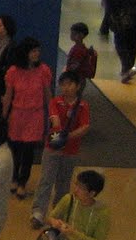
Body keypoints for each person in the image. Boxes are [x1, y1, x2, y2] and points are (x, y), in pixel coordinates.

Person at [31, 70, 91, 227]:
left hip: (71, 150)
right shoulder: (55, 102)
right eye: (63, 85)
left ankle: (58, 213)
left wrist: (68, 136)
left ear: (78, 86)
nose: (66, 88)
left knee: (64, 183)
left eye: (69, 84)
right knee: (46, 179)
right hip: (52, 148)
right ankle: (38, 213)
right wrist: (60, 133)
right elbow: (55, 121)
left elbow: (85, 126)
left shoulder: (83, 105)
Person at [2, 37, 53, 199]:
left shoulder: (43, 71)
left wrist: (53, 114)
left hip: (35, 115)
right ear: (25, 53)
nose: (37, 54)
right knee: (15, 149)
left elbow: (47, 95)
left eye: (38, 51)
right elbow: (8, 96)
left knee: (29, 151)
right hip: (17, 114)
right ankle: (14, 179)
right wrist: (4, 116)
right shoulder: (13, 72)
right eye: (33, 51)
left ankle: (23, 182)